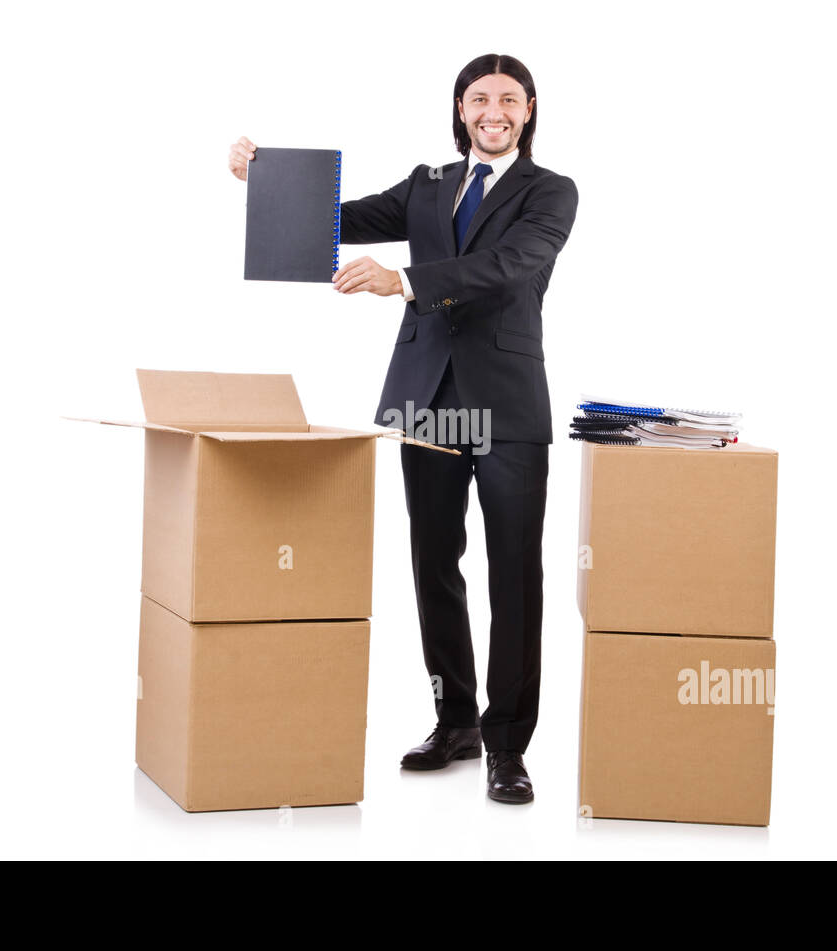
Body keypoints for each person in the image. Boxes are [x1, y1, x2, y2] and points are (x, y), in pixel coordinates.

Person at [228, 53, 578, 804]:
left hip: (507, 403)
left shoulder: (550, 191)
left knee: (514, 572)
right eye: (478, 98)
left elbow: (513, 265)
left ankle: (507, 744)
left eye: (507, 99)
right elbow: (335, 217)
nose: (493, 111)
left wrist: (405, 281)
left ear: (529, 108)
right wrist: (262, 178)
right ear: (459, 109)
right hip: (425, 396)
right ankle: (455, 721)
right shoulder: (426, 185)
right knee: (432, 561)